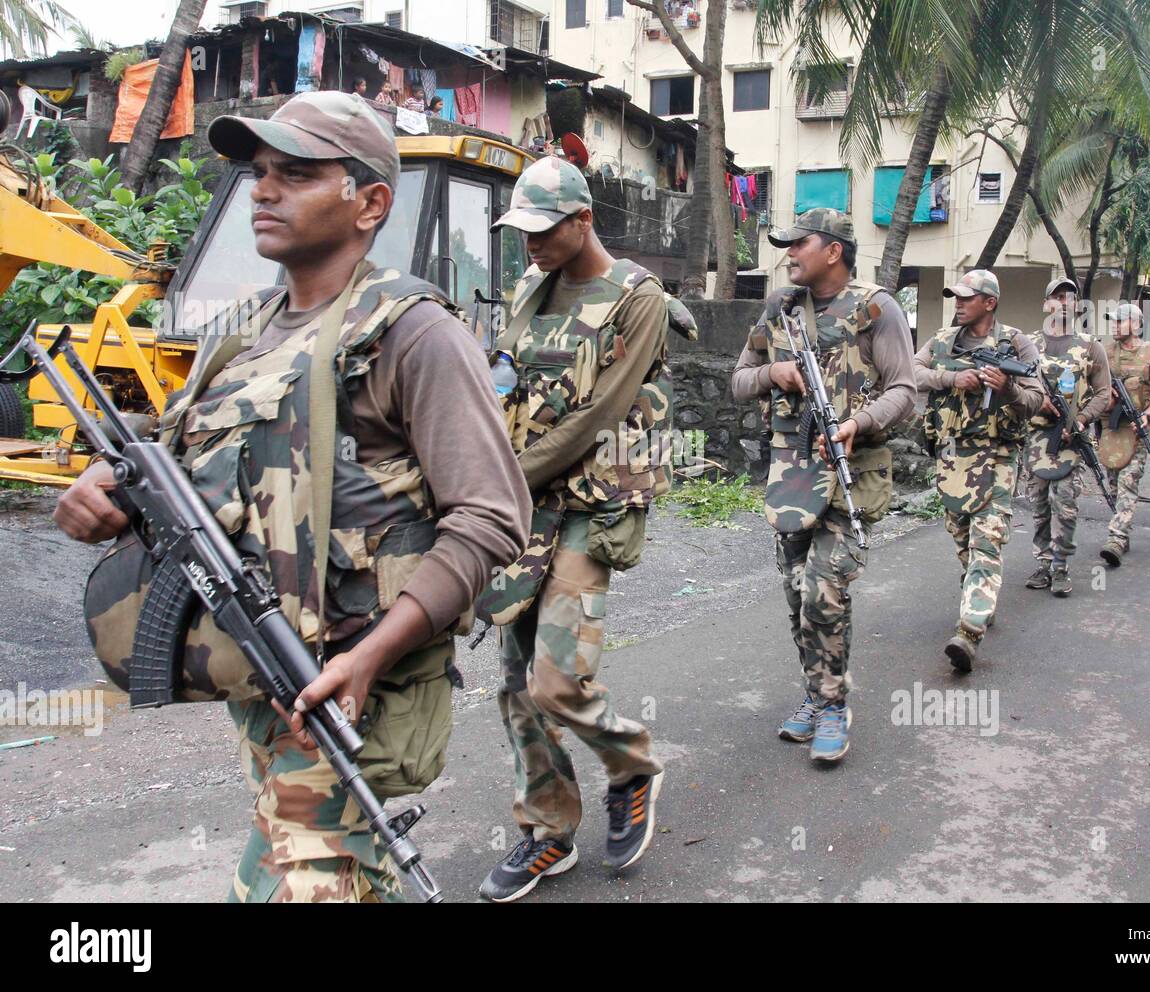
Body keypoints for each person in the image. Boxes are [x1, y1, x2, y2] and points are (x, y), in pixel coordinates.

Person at [56, 91, 530, 902]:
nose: (264, 190)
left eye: (298, 174)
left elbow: (491, 521)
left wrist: (368, 655)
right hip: (268, 691)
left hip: (356, 695)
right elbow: (177, 467)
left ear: (369, 203)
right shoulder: (245, 334)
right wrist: (105, 487)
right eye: (259, 171)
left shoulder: (416, 333)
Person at [478, 155, 688, 902]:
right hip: (524, 502)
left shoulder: (639, 298)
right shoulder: (532, 285)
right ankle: (548, 829)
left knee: (557, 681)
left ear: (582, 219)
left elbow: (600, 416)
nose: (529, 243)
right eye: (521, 230)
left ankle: (630, 765)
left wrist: (503, 478)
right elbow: (501, 374)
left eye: (543, 229)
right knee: (513, 680)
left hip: (591, 502)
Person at [731, 208, 916, 763]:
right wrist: (774, 374)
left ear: (833, 250)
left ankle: (834, 707)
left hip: (852, 474)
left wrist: (858, 422)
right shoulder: (779, 309)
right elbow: (738, 380)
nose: (788, 254)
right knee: (795, 593)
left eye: (799, 244)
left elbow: (905, 390)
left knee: (823, 589)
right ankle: (816, 694)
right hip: (793, 475)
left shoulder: (877, 309)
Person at [914, 270, 1044, 672]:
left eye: (967, 297)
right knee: (963, 540)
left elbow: (1037, 399)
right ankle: (979, 595)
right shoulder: (941, 340)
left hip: (997, 454)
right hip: (952, 456)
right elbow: (910, 373)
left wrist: (1006, 388)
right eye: (955, 296)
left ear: (989, 302)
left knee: (988, 540)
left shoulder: (1016, 343)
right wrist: (954, 377)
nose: (958, 302)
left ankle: (968, 631)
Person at [1022, 277, 1111, 597]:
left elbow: (1104, 393)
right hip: (1037, 436)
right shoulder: (1028, 344)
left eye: (1069, 298)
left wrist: (1083, 419)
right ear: (1046, 304)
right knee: (1039, 504)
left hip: (1072, 438)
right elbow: (1015, 386)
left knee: (1066, 504)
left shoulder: (1090, 346)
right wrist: (1036, 400)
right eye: (1057, 297)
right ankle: (1044, 562)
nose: (1063, 303)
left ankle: (1060, 566)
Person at [1098, 303, 1150, 567]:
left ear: (1137, 325)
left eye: (1121, 321)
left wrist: (1148, 414)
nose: (1115, 325)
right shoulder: (1104, 353)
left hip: (1137, 429)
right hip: (1110, 429)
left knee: (1128, 482)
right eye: (1113, 321)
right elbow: (1093, 388)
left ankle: (1116, 538)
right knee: (1115, 485)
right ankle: (1122, 531)